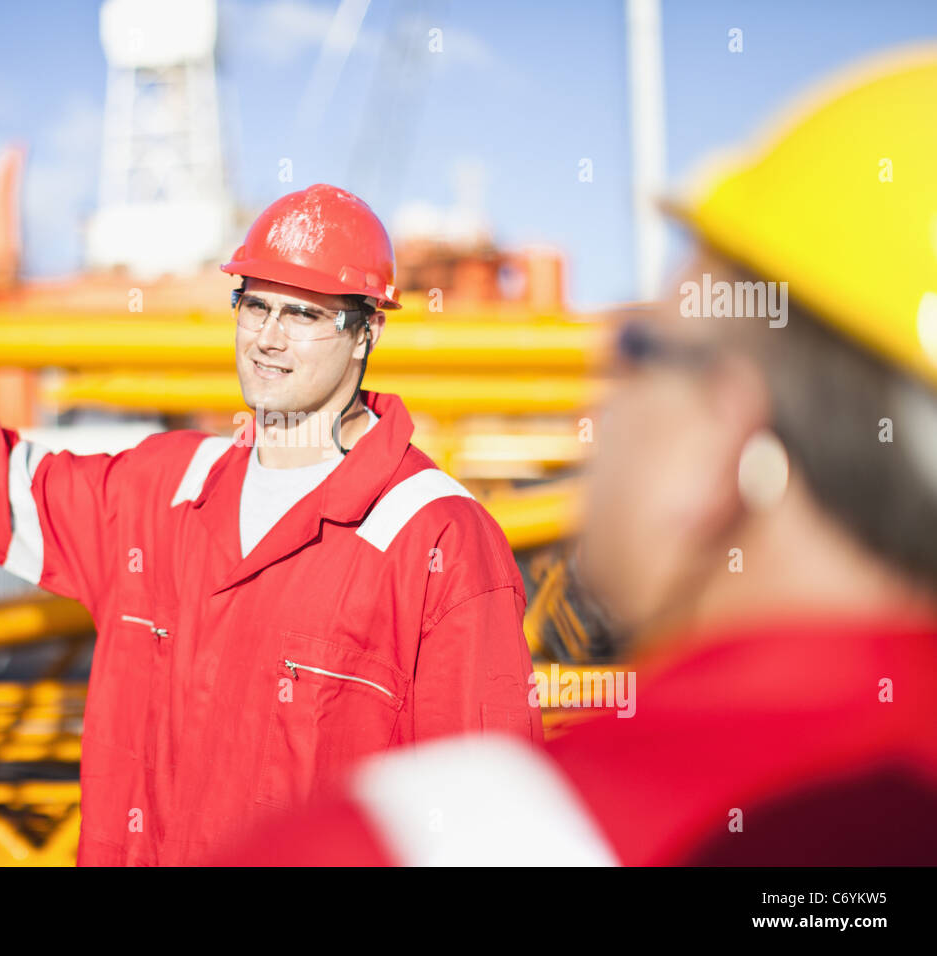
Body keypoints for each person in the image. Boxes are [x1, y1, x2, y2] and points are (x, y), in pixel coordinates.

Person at [212, 47, 937, 866]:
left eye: (637, 348)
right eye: (257, 308)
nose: (599, 399)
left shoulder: (402, 843)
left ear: (725, 440)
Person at [0, 183, 541, 865]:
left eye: (302, 314)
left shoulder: (436, 540)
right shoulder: (163, 492)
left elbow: (488, 827)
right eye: (255, 305)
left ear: (367, 332)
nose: (267, 338)